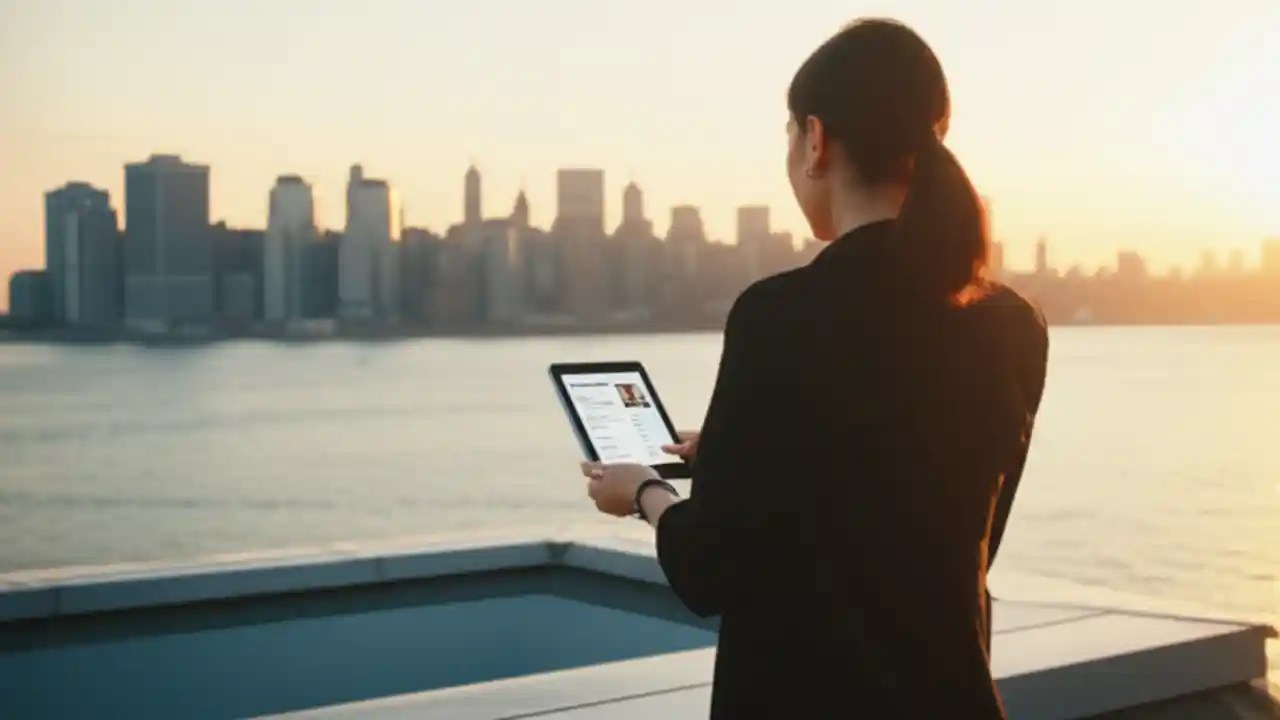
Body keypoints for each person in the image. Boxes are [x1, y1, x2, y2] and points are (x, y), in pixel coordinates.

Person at [581, 18, 1048, 719]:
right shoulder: (1011, 322)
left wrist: (644, 489)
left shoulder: (779, 316)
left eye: (791, 134)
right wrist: (736, 458)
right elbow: (943, 525)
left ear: (816, 140)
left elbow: (710, 567)